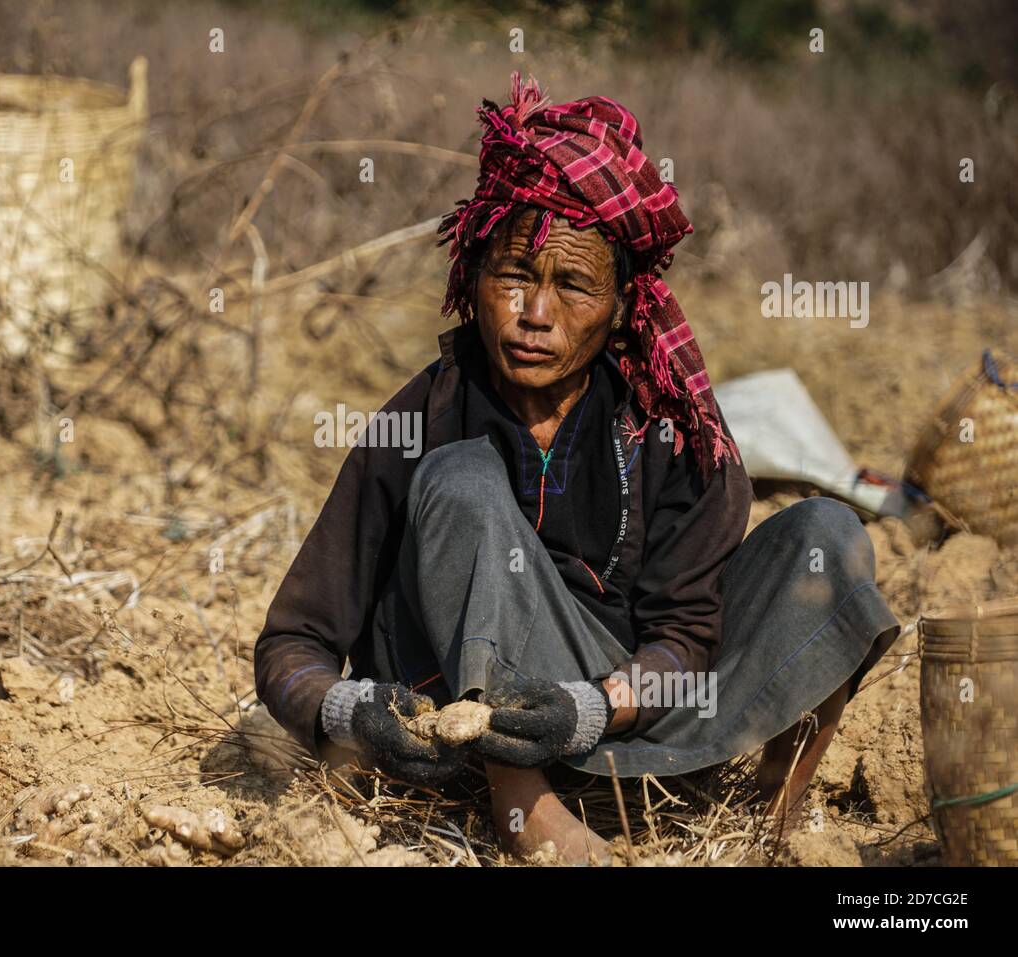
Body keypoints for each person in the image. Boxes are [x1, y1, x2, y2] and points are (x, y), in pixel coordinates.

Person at [253, 74, 900, 864]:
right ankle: (522, 805)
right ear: (474, 276)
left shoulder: (669, 427)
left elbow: (686, 639)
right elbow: (292, 643)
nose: (534, 314)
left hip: (622, 716)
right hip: (455, 734)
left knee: (828, 535)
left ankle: (772, 816)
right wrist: (356, 710)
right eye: (514, 275)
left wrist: (586, 708)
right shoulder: (424, 415)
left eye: (572, 285)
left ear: (625, 305)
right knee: (461, 481)